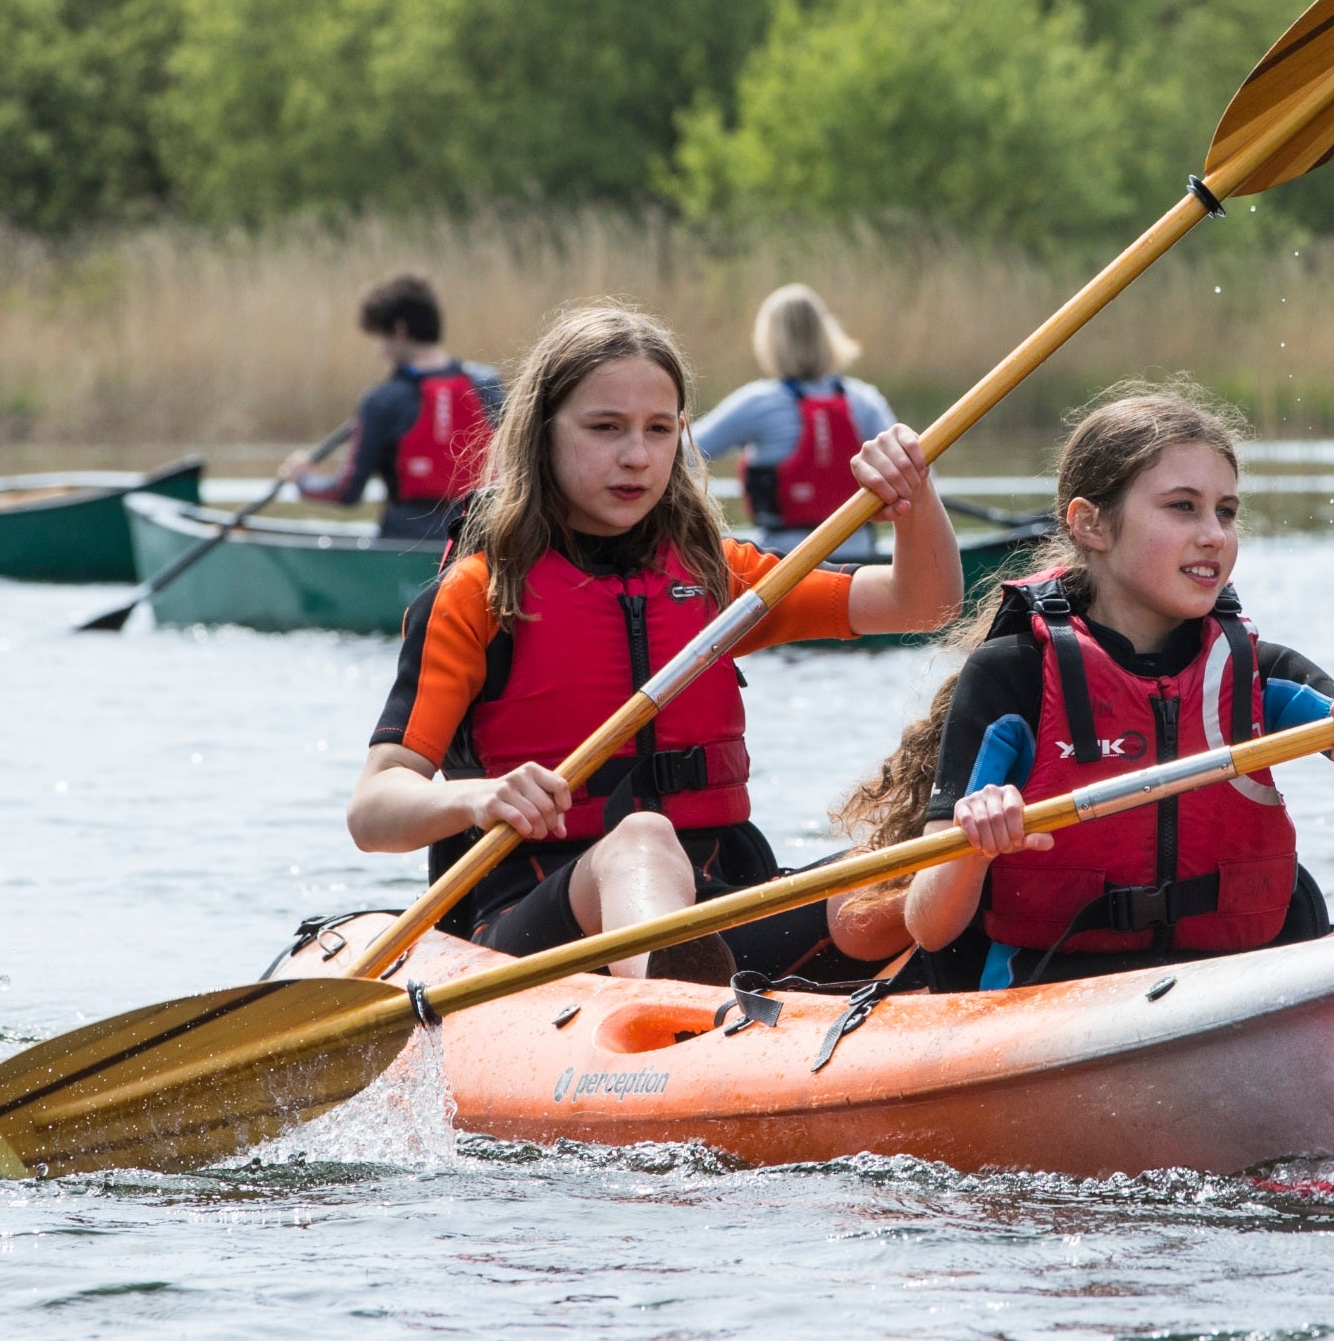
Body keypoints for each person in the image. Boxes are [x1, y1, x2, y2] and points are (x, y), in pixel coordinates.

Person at [349, 304, 963, 983]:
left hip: (720, 909)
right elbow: (375, 812)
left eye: (658, 429)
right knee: (639, 840)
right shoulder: (479, 595)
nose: (637, 455)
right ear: (542, 433)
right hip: (538, 922)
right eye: (605, 428)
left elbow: (924, 601)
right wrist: (478, 798)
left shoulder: (715, 577)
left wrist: (914, 494)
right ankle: (674, 1026)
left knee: (911, 871)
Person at [830, 384, 1334, 993]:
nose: (1214, 533)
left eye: (1226, 511)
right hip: (1056, 996)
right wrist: (976, 843)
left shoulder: (1258, 674)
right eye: (1182, 507)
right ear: (1091, 525)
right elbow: (931, 927)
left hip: (1239, 985)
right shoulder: (1009, 677)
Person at [286, 275, 506, 544]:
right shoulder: (487, 384)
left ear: (400, 330)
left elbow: (346, 492)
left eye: (382, 337)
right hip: (481, 547)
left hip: (402, 549)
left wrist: (303, 479)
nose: (381, 352)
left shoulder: (382, 401)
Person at [694, 284, 900, 560]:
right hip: (859, 558)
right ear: (827, 336)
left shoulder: (760, 402)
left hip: (784, 562)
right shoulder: (864, 400)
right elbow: (916, 475)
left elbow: (681, 454)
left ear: (770, 342)